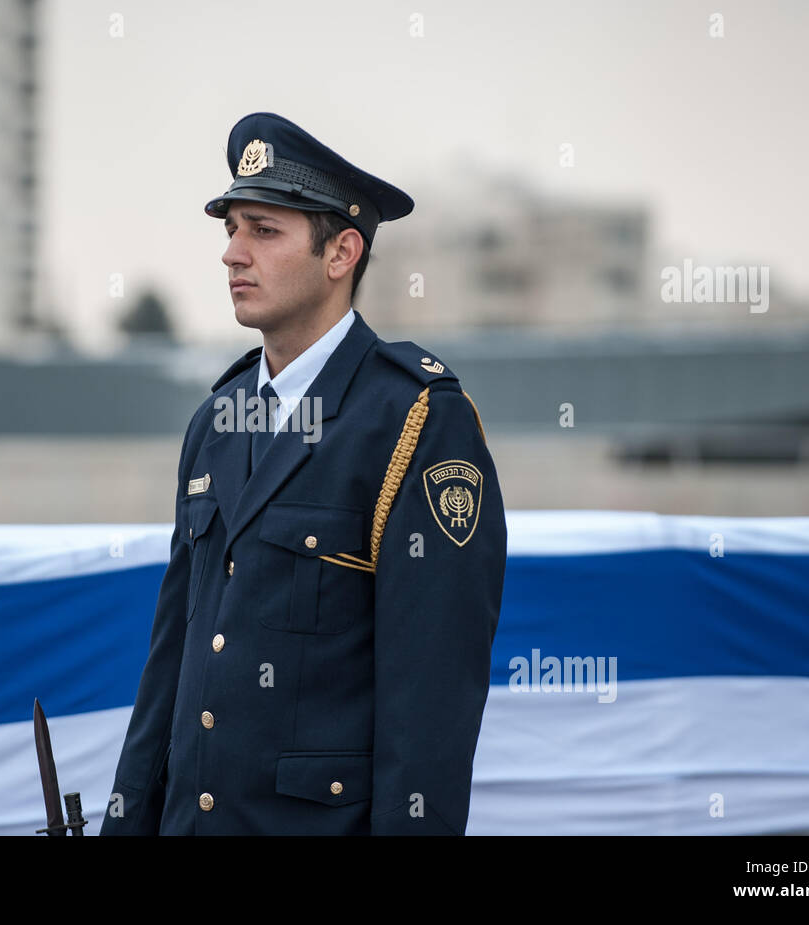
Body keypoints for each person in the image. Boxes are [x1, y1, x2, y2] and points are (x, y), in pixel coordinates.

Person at [100, 112, 507, 835]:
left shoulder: (413, 419)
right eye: (230, 228)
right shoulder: (217, 418)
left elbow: (431, 706)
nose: (232, 253)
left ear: (342, 251)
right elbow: (170, 668)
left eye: (264, 229)